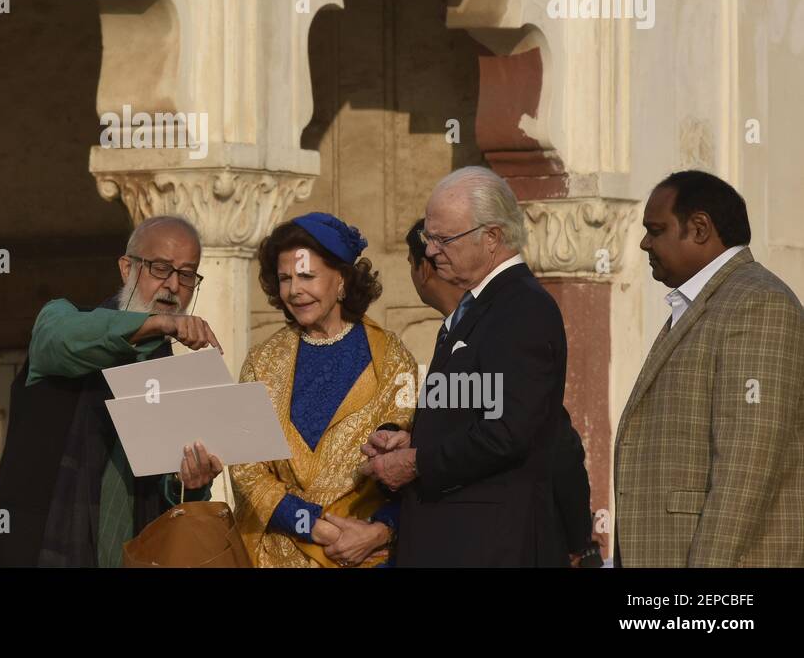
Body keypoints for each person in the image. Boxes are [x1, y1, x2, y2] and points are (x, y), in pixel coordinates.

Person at [0, 215, 225, 567]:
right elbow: (58, 338)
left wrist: (192, 483)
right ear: (127, 268)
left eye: (186, 275)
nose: (172, 285)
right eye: (160, 268)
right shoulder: (64, 321)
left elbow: (167, 501)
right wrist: (157, 323)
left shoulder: (171, 380)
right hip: (27, 552)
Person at [364, 167, 568, 566]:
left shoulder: (521, 308)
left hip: (490, 545)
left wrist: (418, 462)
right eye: (429, 238)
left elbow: (507, 432)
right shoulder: (480, 306)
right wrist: (412, 441)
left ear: (492, 237)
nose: (431, 251)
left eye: (444, 239)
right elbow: (472, 416)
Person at [615, 170, 804, 567]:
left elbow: (748, 464)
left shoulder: (757, 304)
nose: (645, 242)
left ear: (699, 228)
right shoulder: (707, 302)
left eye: (656, 229)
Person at [404, 217, 596, 566]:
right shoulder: (454, 330)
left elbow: (542, 433)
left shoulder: (513, 313)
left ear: (424, 270)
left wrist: (579, 541)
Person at [231, 212, 417, 567]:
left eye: (307, 276)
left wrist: (380, 530)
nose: (294, 290)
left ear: (343, 280)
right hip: (275, 556)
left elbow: (408, 463)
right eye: (285, 278)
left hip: (364, 555)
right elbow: (246, 469)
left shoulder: (391, 357)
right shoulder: (262, 362)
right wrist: (317, 529)